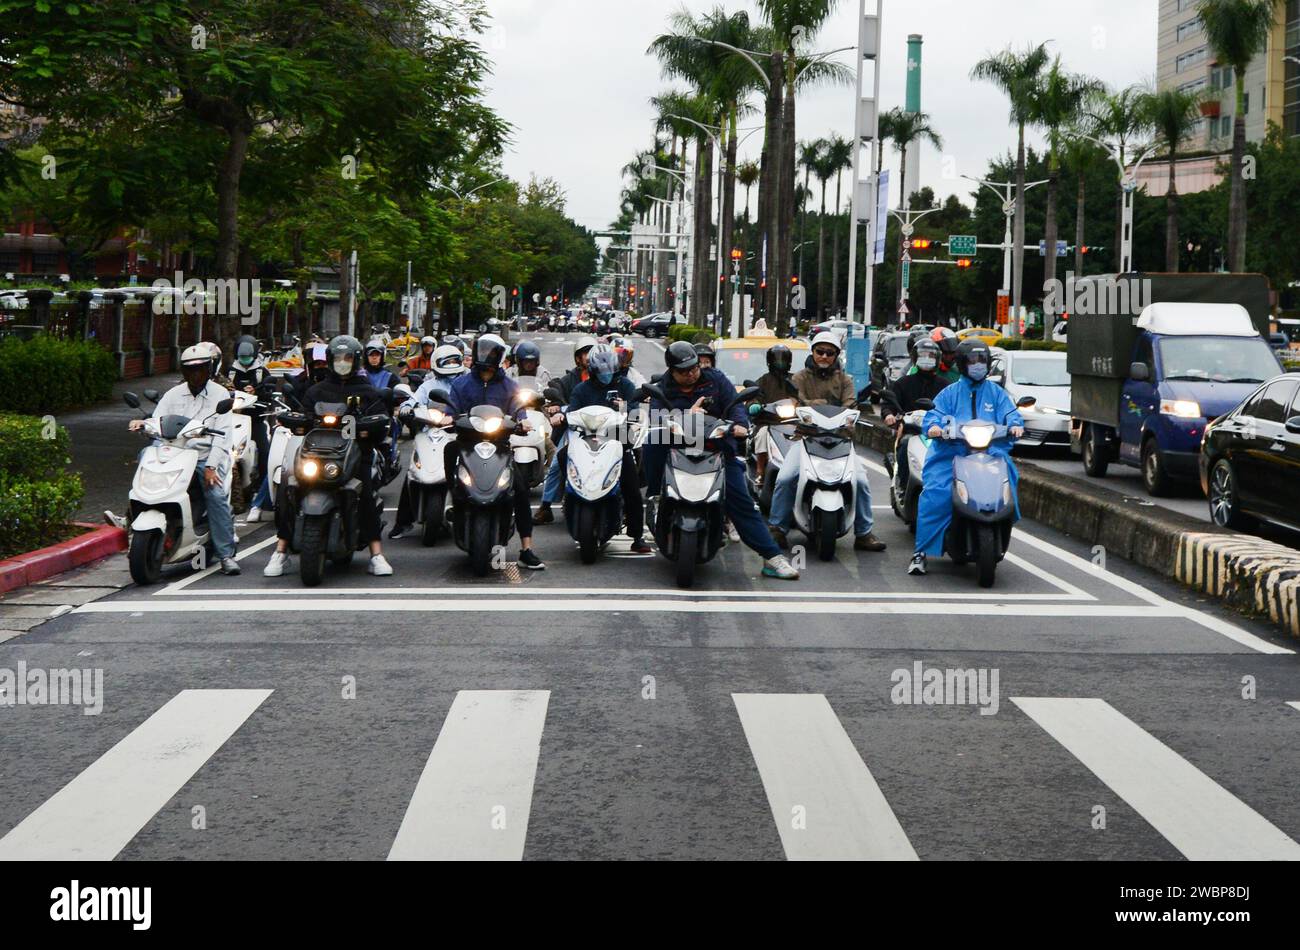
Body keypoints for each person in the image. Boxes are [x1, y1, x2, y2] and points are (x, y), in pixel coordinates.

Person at [643, 341, 799, 580]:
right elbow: (656, 416)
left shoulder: (716, 380)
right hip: (676, 449)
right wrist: (684, 416)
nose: (691, 374)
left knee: (741, 500)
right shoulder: (663, 387)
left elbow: (736, 407)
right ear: (672, 371)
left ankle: (772, 557)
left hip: (716, 449)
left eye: (694, 368)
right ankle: (654, 496)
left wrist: (739, 425)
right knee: (651, 443)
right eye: (684, 371)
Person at [264, 335, 395, 578]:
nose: (342, 363)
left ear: (356, 360)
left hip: (355, 455)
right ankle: (281, 551)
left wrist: (371, 426)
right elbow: (302, 414)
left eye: (347, 358)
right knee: (287, 489)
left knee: (365, 493)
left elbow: (381, 419)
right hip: (317, 455)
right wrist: (297, 420)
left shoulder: (367, 392)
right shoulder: (317, 390)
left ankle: (376, 554)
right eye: (337, 358)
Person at [110, 344, 241, 575]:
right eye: (190, 370)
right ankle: (129, 516)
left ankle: (226, 555)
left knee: (215, 495)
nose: (195, 374)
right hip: (172, 449)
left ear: (208, 369)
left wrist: (211, 466)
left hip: (202, 456)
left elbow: (223, 437)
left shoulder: (220, 395)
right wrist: (142, 424)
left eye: (200, 369)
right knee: (144, 458)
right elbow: (157, 420)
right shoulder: (173, 394)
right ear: (183, 371)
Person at [909, 339, 1025, 576]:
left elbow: (1012, 414)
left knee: (1009, 479)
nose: (978, 365)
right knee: (935, 493)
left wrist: (1015, 426)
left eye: (982, 360)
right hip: (951, 454)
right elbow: (934, 416)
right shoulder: (949, 393)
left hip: (991, 452)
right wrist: (934, 428)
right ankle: (920, 553)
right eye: (972, 361)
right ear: (962, 364)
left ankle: (1001, 523)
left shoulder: (997, 393)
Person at [767, 332, 886, 553]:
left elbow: (851, 405)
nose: (824, 356)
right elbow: (795, 401)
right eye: (819, 351)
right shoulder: (799, 378)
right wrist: (818, 403)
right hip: (805, 439)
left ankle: (864, 532)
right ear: (812, 352)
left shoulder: (845, 380)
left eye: (829, 353)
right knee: (785, 478)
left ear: (836, 356)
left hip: (841, 441)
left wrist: (843, 413)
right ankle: (777, 528)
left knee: (861, 481)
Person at [440, 334, 545, 570]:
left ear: (500, 355)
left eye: (491, 351)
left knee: (519, 489)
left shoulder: (510, 385)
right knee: (449, 449)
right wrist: (448, 417)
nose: (486, 355)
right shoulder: (461, 383)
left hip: (500, 447)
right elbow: (451, 408)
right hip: (467, 444)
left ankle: (526, 548)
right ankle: (453, 494)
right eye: (483, 350)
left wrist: (522, 421)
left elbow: (520, 410)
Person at [561, 344, 651, 553]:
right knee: (563, 456)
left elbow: (636, 412)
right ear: (591, 370)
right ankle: (565, 499)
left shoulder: (626, 386)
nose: (606, 375)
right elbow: (572, 411)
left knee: (631, 485)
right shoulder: (581, 389)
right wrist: (561, 416)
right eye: (601, 371)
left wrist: (625, 409)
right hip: (586, 440)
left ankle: (637, 536)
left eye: (609, 371)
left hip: (617, 440)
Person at [388, 345, 471, 540]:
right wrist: (407, 408)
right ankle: (403, 522)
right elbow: (414, 400)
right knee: (414, 471)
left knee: (467, 473)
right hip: (429, 429)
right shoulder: (428, 385)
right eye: (447, 362)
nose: (451, 365)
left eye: (454, 361)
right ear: (436, 364)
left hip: (459, 433)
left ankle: (467, 518)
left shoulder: (467, 383)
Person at [534, 335, 597, 524]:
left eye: (592, 352)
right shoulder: (570, 380)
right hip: (575, 429)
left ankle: (623, 505)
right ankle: (546, 507)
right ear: (578, 358)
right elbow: (557, 392)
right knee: (556, 464)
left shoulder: (606, 377)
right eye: (585, 353)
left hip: (603, 429)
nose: (589, 357)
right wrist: (556, 406)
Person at [229, 335, 274, 524]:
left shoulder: (261, 372)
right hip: (235, 418)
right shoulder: (231, 372)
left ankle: (267, 497)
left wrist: (258, 392)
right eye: (242, 357)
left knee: (266, 453)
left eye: (248, 357)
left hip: (256, 420)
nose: (244, 360)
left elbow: (269, 393)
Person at [751, 344, 800, 487]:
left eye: (783, 360)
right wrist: (754, 405)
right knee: (761, 435)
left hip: (793, 422)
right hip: (769, 422)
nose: (780, 363)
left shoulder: (795, 379)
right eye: (777, 359)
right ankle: (760, 471)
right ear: (769, 361)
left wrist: (799, 403)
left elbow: (802, 396)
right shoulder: (763, 380)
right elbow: (754, 396)